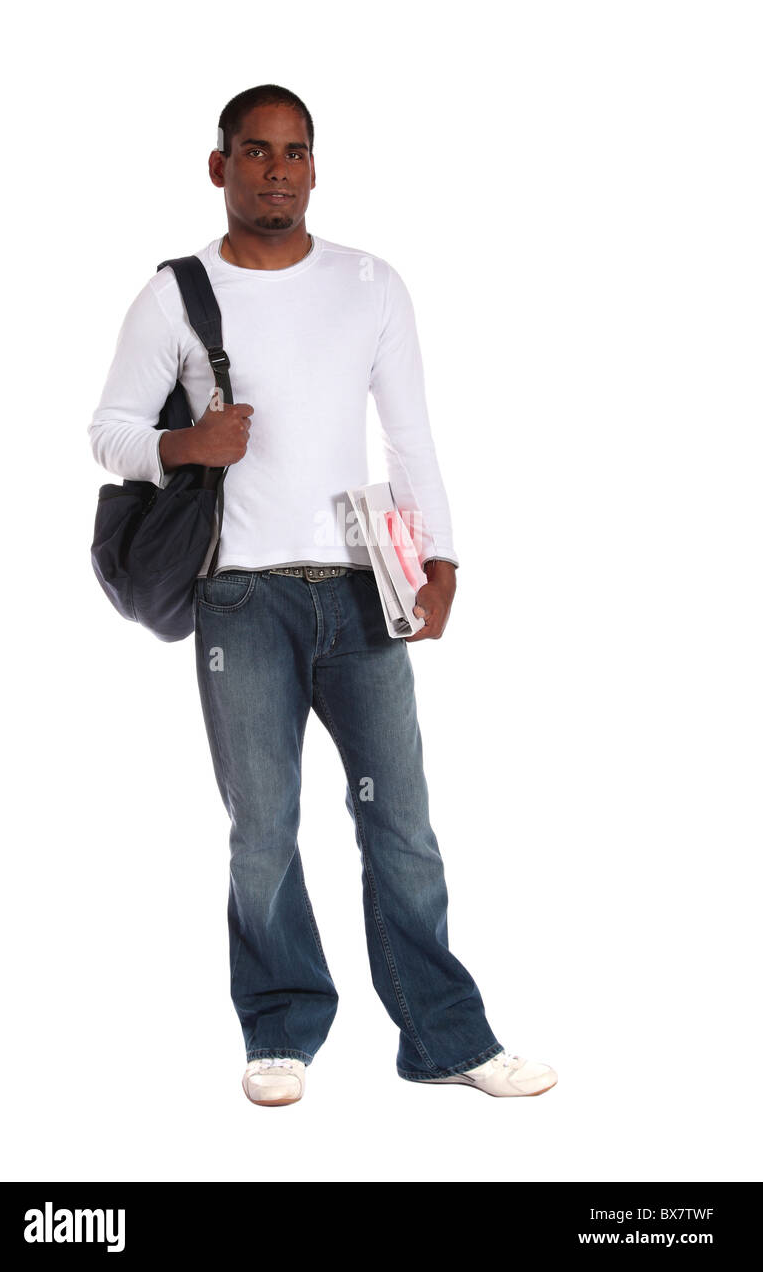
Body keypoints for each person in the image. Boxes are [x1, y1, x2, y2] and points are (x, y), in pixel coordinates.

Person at [88, 83, 558, 1107]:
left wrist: (443, 562)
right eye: (254, 152)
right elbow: (110, 429)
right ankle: (281, 1023)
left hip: (361, 589)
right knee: (262, 829)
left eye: (294, 151)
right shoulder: (176, 294)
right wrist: (183, 443)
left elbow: (412, 436)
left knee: (401, 824)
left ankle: (444, 1035)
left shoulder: (370, 283)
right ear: (220, 167)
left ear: (315, 165)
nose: (276, 170)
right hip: (241, 599)